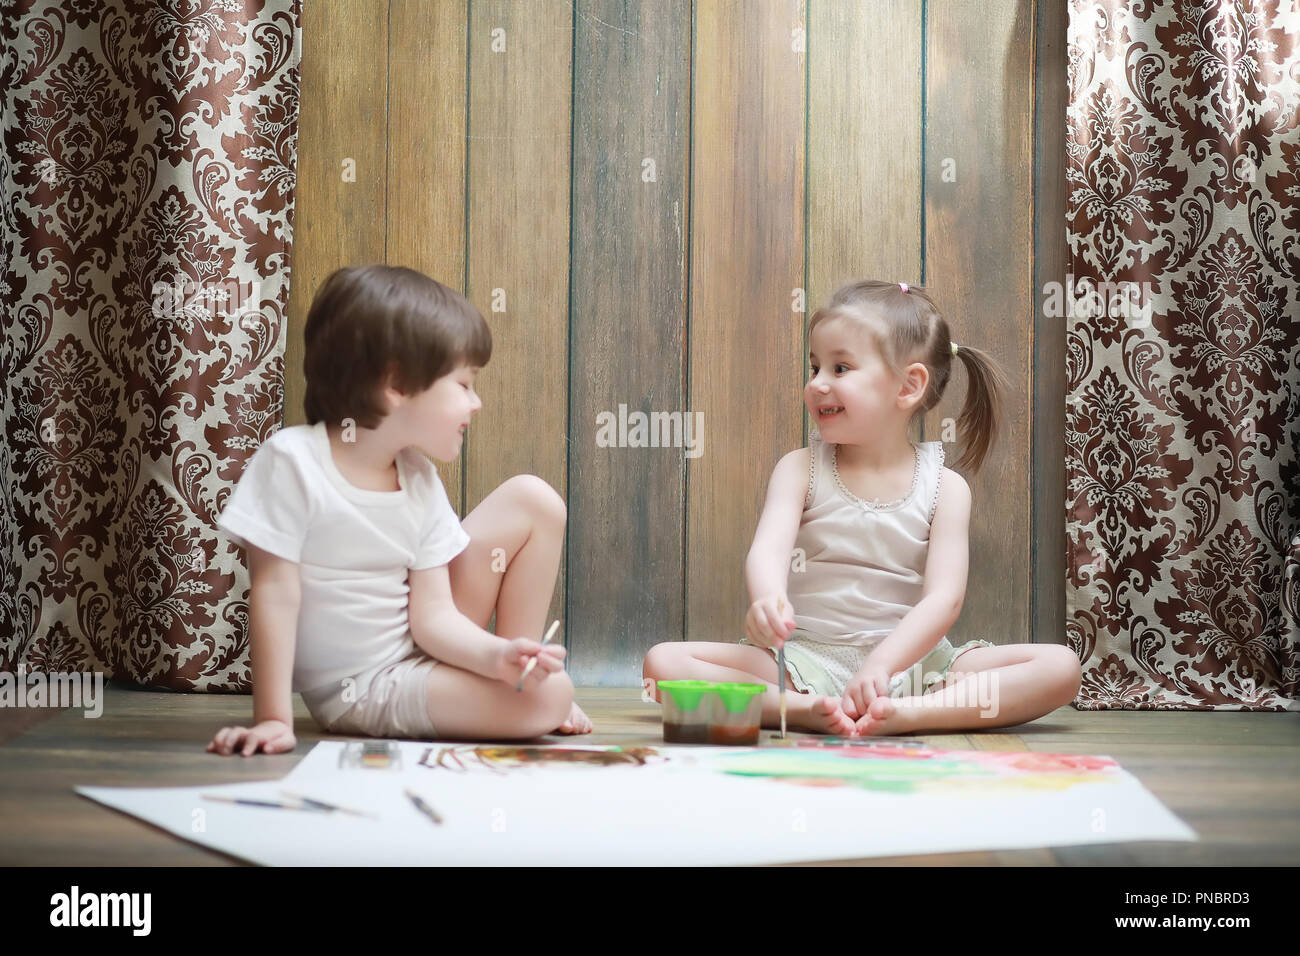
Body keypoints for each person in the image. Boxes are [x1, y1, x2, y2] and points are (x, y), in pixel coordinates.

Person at [643, 279, 1081, 736]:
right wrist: (767, 601)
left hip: (914, 670)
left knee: (1060, 666)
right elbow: (768, 552)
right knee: (663, 664)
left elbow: (943, 599)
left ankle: (909, 714)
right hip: (801, 663)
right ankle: (796, 707)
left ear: (909, 385)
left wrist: (882, 664)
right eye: (815, 367)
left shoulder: (945, 488)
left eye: (840, 368)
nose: (817, 384)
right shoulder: (800, 469)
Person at [208, 265, 591, 756]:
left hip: (423, 650)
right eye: (464, 384)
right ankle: (531, 698)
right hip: (368, 686)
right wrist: (273, 719)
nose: (476, 403)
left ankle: (523, 672)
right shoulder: (294, 462)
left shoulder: (418, 479)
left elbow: (432, 617)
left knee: (533, 500)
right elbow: (274, 593)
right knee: (554, 697)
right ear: (395, 383)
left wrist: (499, 657)